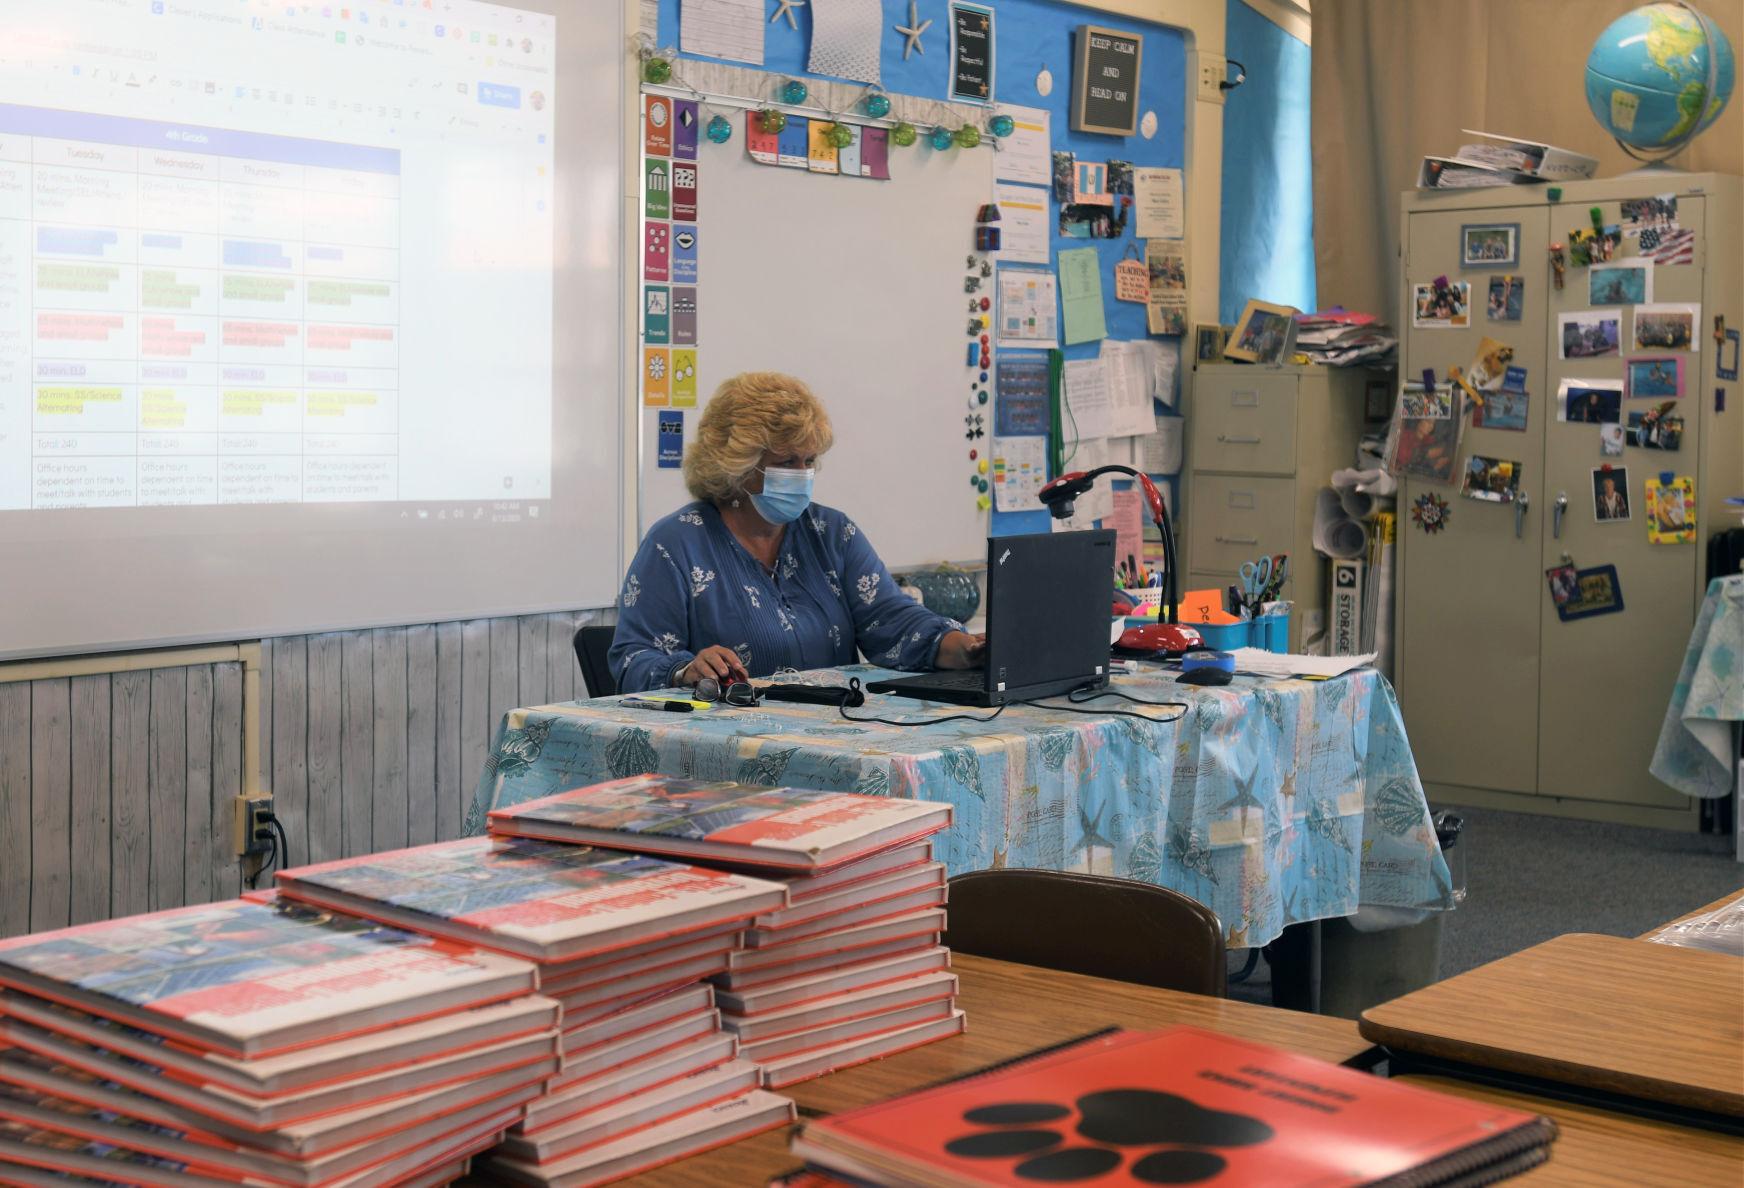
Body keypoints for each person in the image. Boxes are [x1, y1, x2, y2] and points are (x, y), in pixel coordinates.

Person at [610, 372, 986, 692]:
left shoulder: (831, 533)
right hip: (723, 754)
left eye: (809, 461)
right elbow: (634, 659)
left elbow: (892, 621)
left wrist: (965, 647)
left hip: (836, 741)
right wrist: (686, 670)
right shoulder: (675, 545)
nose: (802, 474)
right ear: (736, 465)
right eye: (786, 462)